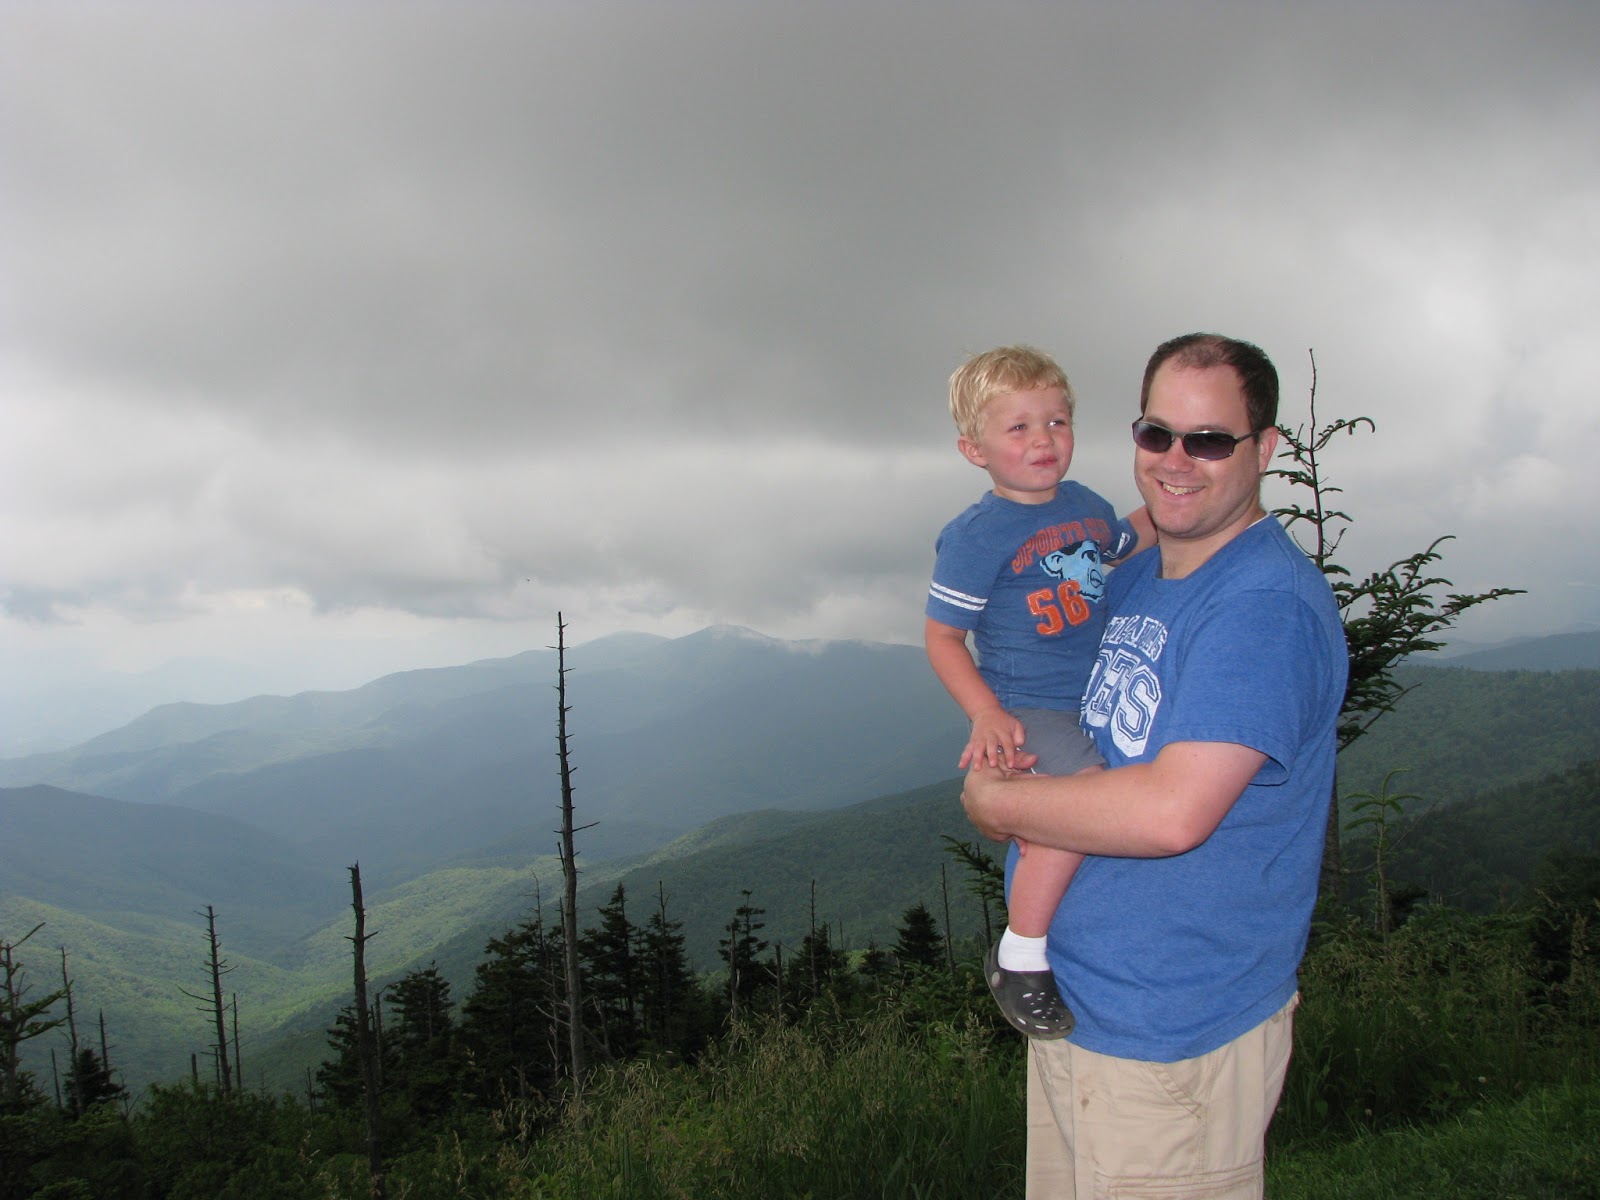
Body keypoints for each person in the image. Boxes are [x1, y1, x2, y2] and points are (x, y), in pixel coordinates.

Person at [961, 333, 1347, 1199]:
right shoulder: (1138, 581)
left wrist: (999, 805)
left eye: (1208, 439)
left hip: (1175, 1038)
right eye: (1156, 433)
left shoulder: (1263, 606)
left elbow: (1173, 813)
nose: (1176, 459)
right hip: (1080, 1005)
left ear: (1265, 448)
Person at [925, 345, 1154, 1038]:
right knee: (1074, 805)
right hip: (1030, 706)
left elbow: (1127, 542)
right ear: (975, 450)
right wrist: (986, 713)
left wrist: (1190, 505)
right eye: (1018, 427)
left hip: (1099, 694)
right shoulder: (976, 536)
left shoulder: (1086, 506)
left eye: (1057, 421)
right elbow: (942, 638)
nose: (1043, 440)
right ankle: (1020, 956)